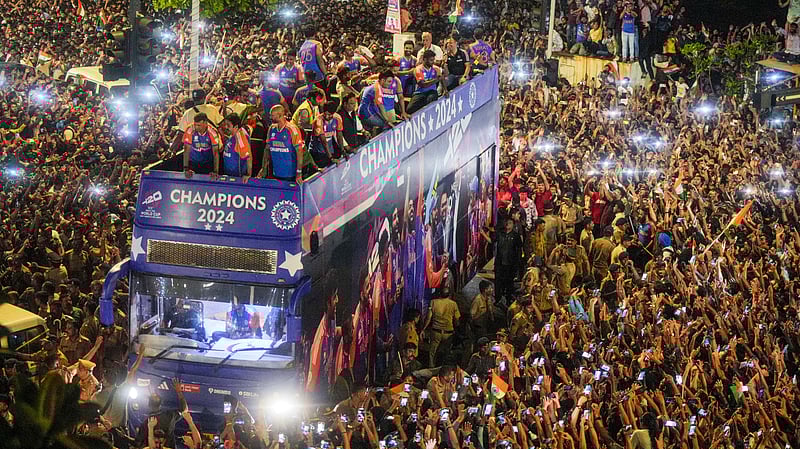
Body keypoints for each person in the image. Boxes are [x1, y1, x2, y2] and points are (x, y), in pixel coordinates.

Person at [259, 104, 304, 184]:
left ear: (279, 115)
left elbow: (299, 152)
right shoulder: (272, 129)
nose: (270, 117)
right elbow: (267, 149)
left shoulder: (292, 130)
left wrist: (299, 172)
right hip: (275, 173)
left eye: (272, 115)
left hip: (290, 175)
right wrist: (264, 168)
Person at [421, 282, 460, 368]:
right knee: (446, 353)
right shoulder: (453, 304)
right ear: (449, 294)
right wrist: (457, 330)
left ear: (439, 293)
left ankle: (431, 368)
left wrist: (423, 329)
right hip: (448, 333)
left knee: (432, 353)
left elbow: (429, 317)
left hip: (436, 332)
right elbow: (457, 320)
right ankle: (444, 369)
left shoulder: (433, 302)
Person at [182, 112, 221, 178]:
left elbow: (215, 152)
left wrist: (215, 171)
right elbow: (186, 150)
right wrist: (186, 168)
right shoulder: (190, 130)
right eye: (195, 125)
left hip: (208, 163)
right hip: (194, 162)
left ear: (205, 124)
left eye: (199, 125)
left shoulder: (212, 132)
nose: (196, 127)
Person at [407, 50, 446, 114]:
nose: (433, 62)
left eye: (433, 60)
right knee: (409, 109)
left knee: (431, 99)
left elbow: (442, 78)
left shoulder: (436, 69)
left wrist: (445, 90)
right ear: (425, 59)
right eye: (431, 60)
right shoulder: (418, 69)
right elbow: (423, 85)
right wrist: (436, 80)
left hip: (432, 92)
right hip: (420, 92)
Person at [219, 114, 253, 181]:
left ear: (236, 126)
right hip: (229, 174)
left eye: (228, 125)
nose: (226, 127)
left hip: (237, 178)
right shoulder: (234, 133)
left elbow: (249, 157)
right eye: (225, 124)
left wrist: (248, 175)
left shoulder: (241, 138)